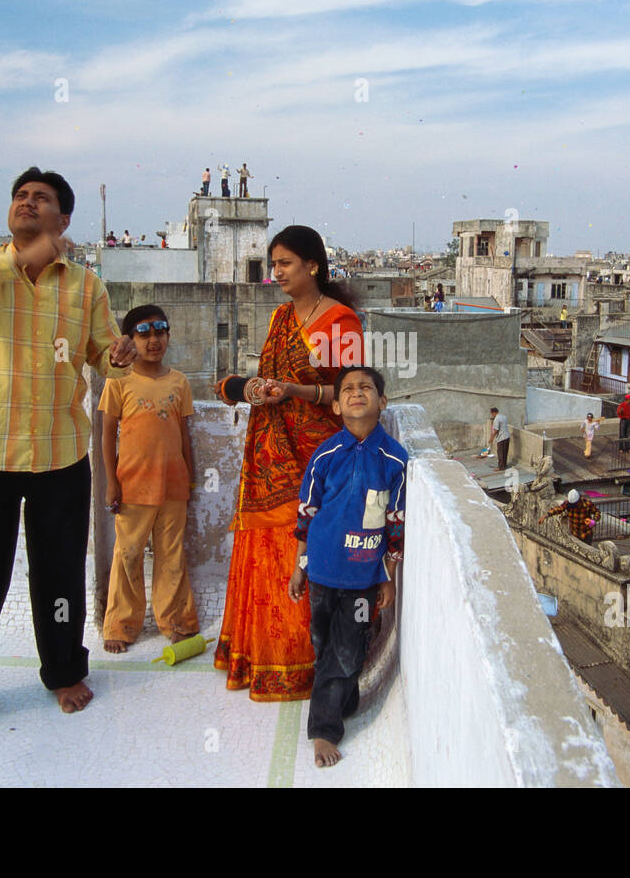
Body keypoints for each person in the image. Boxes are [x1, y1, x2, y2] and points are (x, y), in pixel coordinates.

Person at [0, 167, 137, 747]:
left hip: (61, 456)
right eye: (20, 196)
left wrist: (120, 356)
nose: (27, 203)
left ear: (64, 220)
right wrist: (14, 260)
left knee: (60, 576)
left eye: (41, 199)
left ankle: (63, 671)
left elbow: (100, 356)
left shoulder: (86, 286)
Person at [212, 225, 363, 701]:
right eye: (273, 264)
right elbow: (267, 376)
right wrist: (257, 388)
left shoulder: (341, 322)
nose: (275, 272)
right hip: (270, 459)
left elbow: (352, 394)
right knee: (269, 549)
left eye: (285, 263)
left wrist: (297, 391)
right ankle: (262, 656)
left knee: (304, 550)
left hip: (317, 459)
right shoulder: (280, 318)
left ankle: (307, 666)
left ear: (312, 265)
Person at [288, 366, 407, 767]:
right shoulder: (325, 456)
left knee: (346, 648)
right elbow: (307, 514)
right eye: (349, 390)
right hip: (321, 569)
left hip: (362, 577)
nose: (358, 393)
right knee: (323, 643)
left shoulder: (395, 460)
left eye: (367, 388)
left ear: (382, 402)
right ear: (337, 405)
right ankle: (347, 697)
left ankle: (323, 729)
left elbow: (395, 521)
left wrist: (387, 575)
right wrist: (300, 566)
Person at [99, 305, 199, 652]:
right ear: (130, 341)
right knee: (128, 555)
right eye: (144, 334)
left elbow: (184, 434)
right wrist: (112, 482)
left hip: (173, 485)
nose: (153, 340)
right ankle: (121, 625)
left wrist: (192, 475)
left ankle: (176, 621)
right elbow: (107, 433)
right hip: (132, 486)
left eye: (160, 332)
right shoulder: (118, 381)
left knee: (171, 555)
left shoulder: (179, 382)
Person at [491, 406, 510, 470]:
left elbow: (496, 429)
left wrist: (492, 438)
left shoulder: (497, 419)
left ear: (493, 413)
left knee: (500, 453)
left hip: (501, 438)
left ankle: (500, 467)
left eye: (492, 414)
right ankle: (504, 465)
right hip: (507, 436)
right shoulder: (504, 417)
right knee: (505, 452)